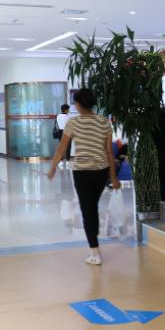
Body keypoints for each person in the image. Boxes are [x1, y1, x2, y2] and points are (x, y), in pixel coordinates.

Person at [47, 89, 120, 266]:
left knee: (88, 209)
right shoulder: (104, 122)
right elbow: (109, 152)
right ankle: (94, 240)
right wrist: (113, 177)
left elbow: (62, 148)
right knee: (91, 206)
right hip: (101, 171)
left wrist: (53, 166)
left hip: (82, 172)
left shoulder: (74, 123)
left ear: (78, 104)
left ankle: (95, 252)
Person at [55, 104, 71, 169]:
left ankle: (61, 161)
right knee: (68, 147)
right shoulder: (68, 117)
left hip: (60, 132)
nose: (69, 110)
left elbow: (57, 125)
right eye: (68, 109)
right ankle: (67, 161)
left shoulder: (58, 116)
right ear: (65, 110)